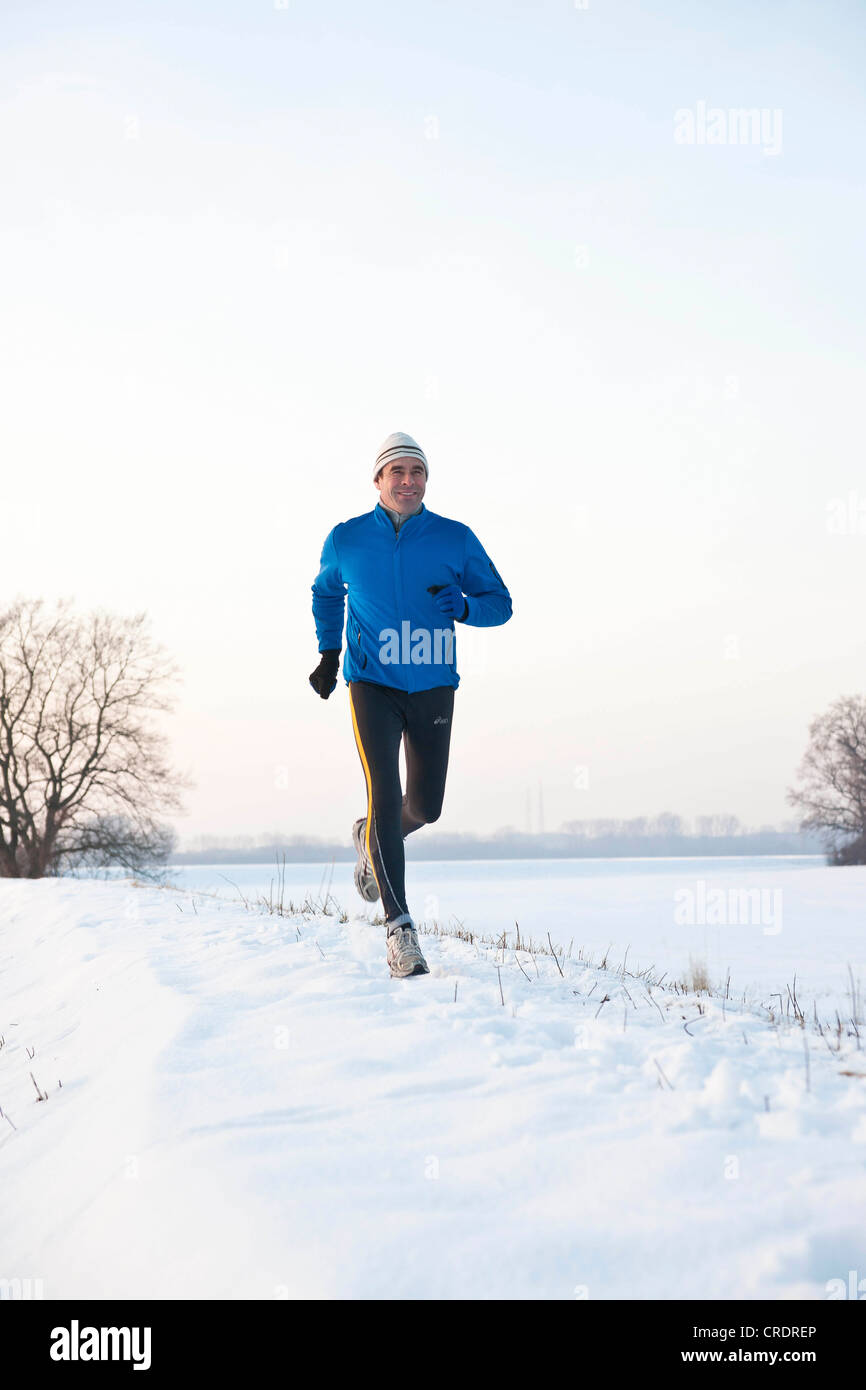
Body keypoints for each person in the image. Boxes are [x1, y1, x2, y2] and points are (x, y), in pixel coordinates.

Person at [309, 431, 513, 979]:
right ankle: (401, 933)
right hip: (371, 683)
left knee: (424, 807)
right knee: (386, 790)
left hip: (432, 683)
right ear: (377, 480)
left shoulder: (455, 538)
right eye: (396, 472)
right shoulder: (346, 539)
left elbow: (502, 605)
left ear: (426, 481)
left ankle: (369, 833)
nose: (407, 481)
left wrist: (467, 606)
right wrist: (330, 654)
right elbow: (326, 592)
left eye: (416, 472)